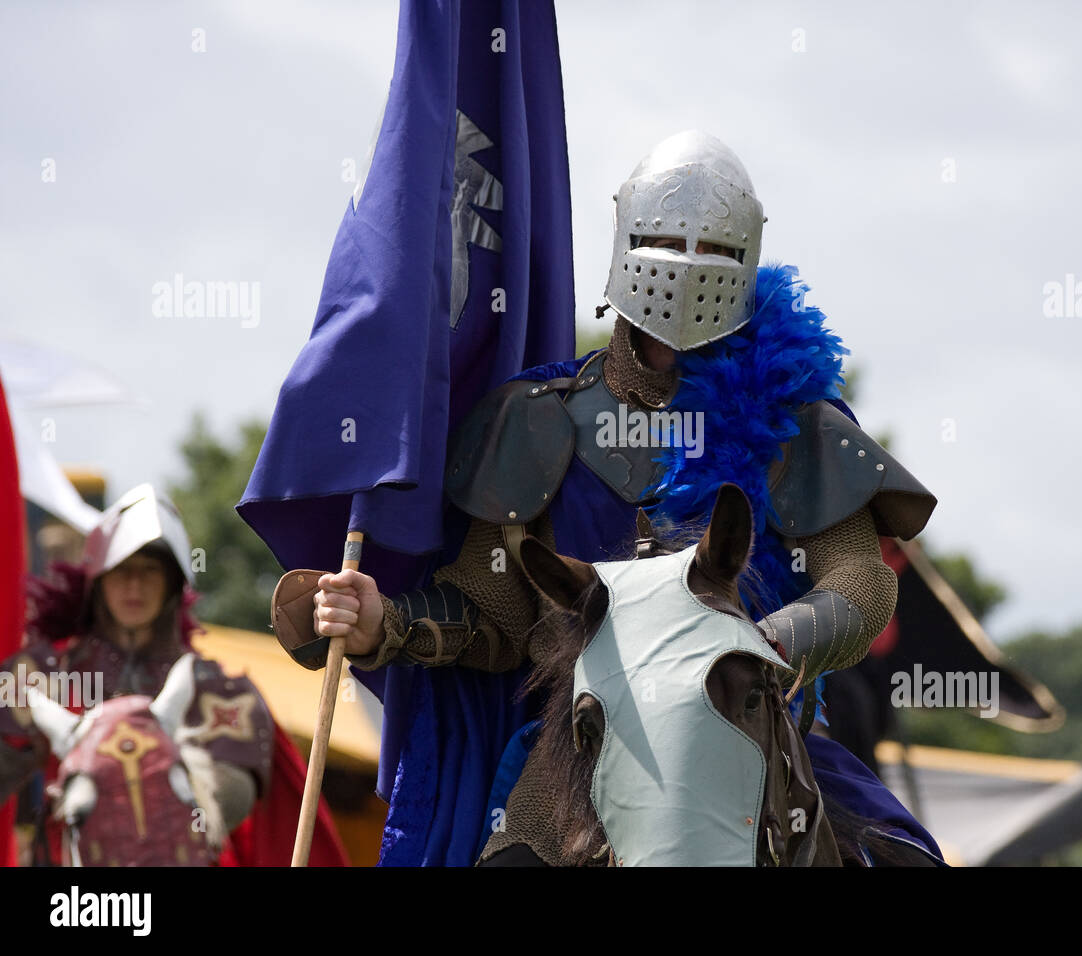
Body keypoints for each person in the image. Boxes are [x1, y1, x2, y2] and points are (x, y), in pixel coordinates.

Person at [276, 130, 942, 865]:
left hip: (758, 731)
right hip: (582, 751)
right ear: (628, 241)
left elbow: (860, 581)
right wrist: (387, 623)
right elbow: (494, 613)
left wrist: (767, 643)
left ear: (746, 258)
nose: (685, 267)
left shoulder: (796, 424)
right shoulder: (539, 418)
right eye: (664, 239)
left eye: (713, 251)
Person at [0, 484, 275, 865]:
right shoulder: (49, 675)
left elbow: (228, 798)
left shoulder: (214, 688)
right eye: (122, 571)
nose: (135, 586)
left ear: (173, 584)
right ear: (98, 581)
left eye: (150, 571)